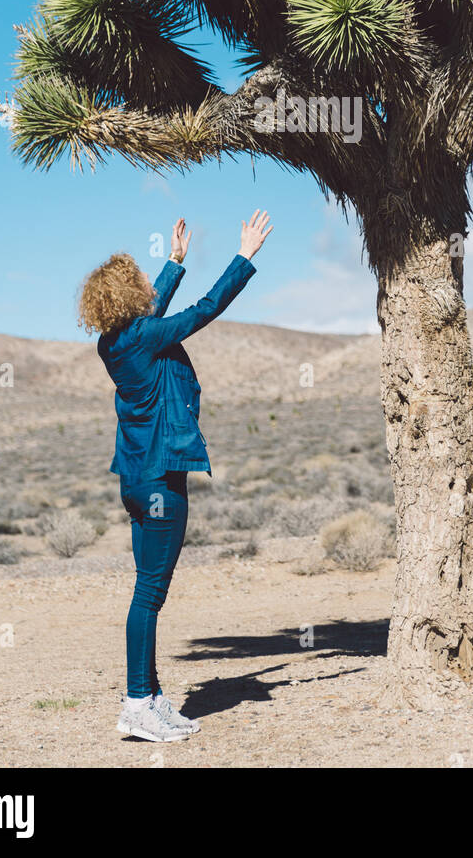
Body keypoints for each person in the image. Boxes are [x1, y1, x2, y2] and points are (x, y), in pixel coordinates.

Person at [78, 210, 273, 742]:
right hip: (162, 481)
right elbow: (203, 312)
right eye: (139, 278)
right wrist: (245, 257)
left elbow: (154, 311)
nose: (146, 282)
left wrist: (174, 262)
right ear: (126, 293)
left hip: (138, 480)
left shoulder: (116, 342)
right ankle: (138, 704)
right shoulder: (145, 337)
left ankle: (150, 696)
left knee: (147, 591)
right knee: (149, 594)